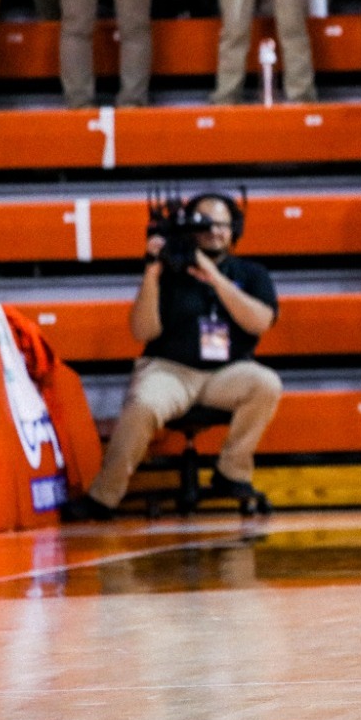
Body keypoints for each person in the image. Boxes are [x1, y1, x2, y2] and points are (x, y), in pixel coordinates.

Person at [65, 192, 283, 520]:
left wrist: (214, 276)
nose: (213, 231)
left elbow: (260, 321)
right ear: (189, 228)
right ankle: (104, 497)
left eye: (221, 224)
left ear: (234, 228)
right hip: (169, 369)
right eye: (204, 223)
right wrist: (152, 274)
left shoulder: (252, 273)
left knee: (266, 383)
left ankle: (231, 472)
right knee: (143, 404)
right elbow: (142, 332)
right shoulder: (169, 271)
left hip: (227, 373)